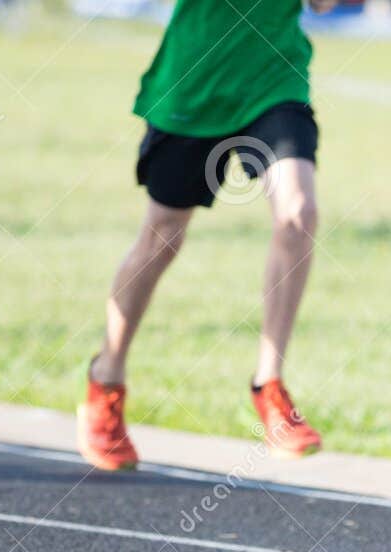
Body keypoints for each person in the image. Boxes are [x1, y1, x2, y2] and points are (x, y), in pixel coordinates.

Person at [78, 0, 335, 471]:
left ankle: (269, 384)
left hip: (272, 79)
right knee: (163, 237)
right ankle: (106, 377)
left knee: (298, 212)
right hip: (194, 81)